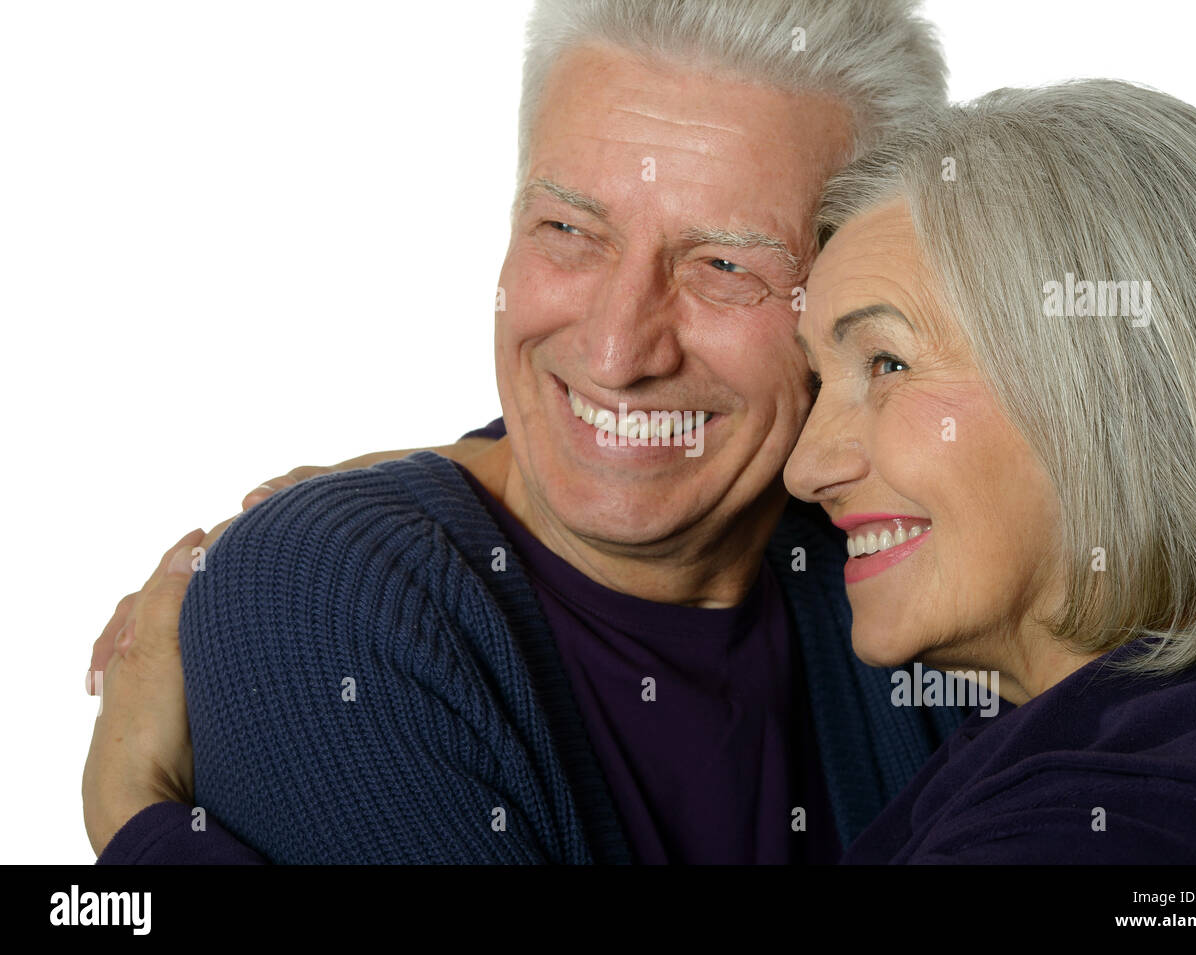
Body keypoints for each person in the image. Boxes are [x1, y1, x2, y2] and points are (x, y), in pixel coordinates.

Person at [83, 0, 965, 864]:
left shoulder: (917, 586)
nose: (617, 351)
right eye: (570, 231)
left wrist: (141, 832)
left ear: (858, 299)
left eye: (725, 266)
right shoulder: (324, 592)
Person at [784, 79, 1196, 863]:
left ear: (1120, 387)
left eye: (887, 362)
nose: (805, 468)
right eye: (819, 383)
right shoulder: (1179, 746)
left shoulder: (1124, 823)